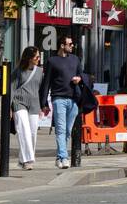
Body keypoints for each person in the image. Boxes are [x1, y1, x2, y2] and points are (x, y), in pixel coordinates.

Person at [39, 35, 83, 169]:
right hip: (58, 99)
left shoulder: (75, 59)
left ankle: (59, 157)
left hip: (74, 99)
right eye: (70, 44)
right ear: (62, 46)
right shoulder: (52, 61)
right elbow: (46, 83)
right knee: (61, 129)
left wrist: (79, 79)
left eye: (72, 44)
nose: (72, 46)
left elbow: (82, 75)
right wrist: (44, 103)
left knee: (68, 130)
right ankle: (64, 158)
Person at [11, 46, 44, 170]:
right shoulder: (18, 71)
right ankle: (27, 160)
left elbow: (41, 89)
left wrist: (42, 105)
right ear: (29, 58)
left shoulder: (40, 72)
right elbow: (11, 88)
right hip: (19, 102)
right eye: (36, 57)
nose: (38, 59)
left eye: (39, 57)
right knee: (23, 130)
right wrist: (10, 107)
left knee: (32, 133)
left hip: (34, 104)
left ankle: (22, 160)